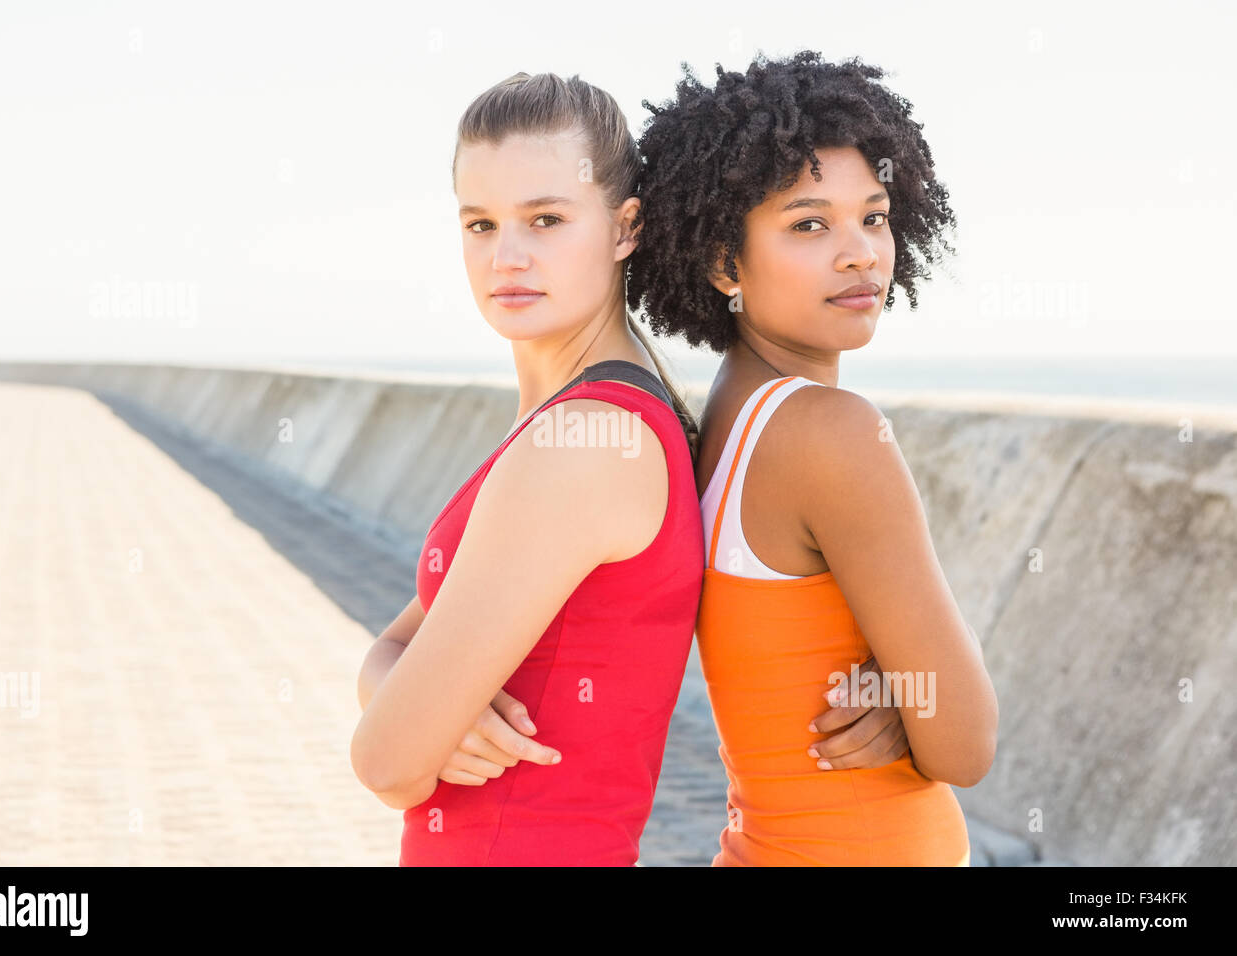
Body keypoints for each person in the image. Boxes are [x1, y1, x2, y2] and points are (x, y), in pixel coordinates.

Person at [627, 51, 999, 865]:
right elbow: (966, 745)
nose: (861, 252)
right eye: (809, 223)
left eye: (873, 215)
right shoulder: (832, 433)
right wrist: (917, 699)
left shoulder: (718, 422)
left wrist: (910, 694)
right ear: (725, 261)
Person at [349, 71, 705, 866]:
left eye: (546, 219)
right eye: (480, 224)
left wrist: (414, 714)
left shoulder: (581, 444)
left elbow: (386, 762)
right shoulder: (574, 419)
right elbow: (394, 650)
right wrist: (418, 701)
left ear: (624, 227)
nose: (507, 256)